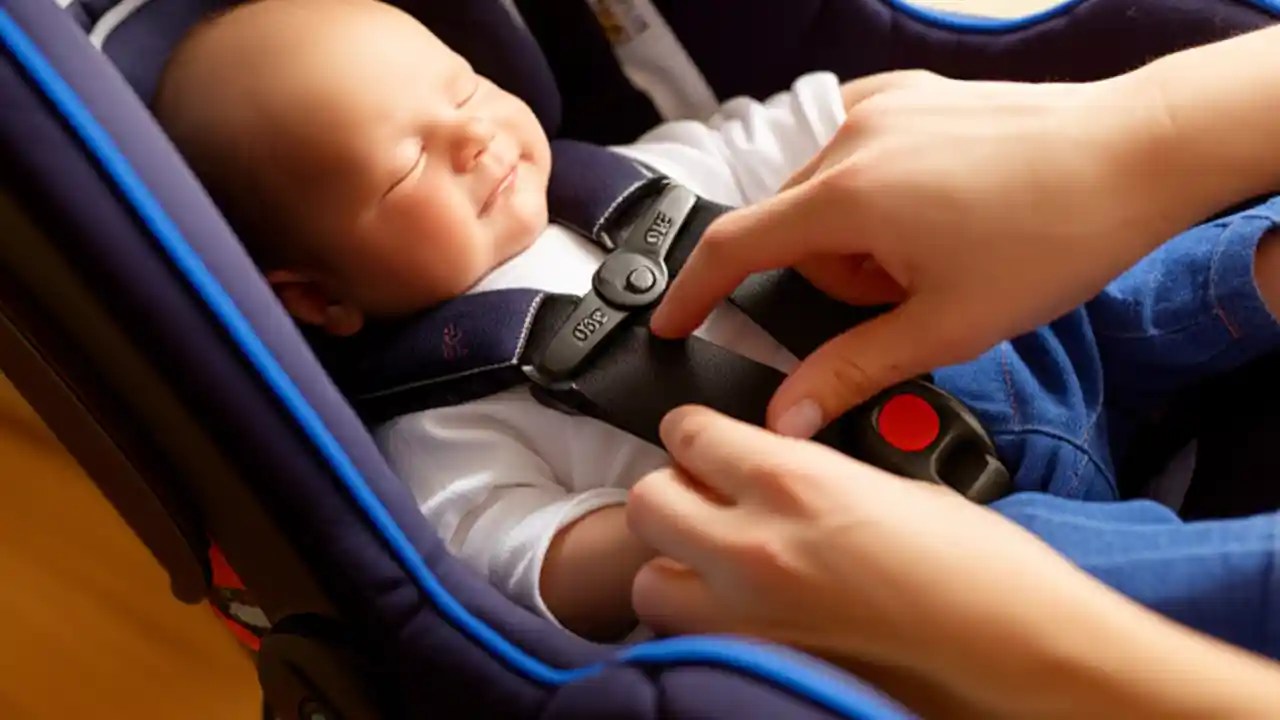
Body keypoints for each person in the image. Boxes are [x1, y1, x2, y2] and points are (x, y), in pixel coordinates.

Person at [154, 0, 1280, 647]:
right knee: (1079, 590)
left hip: (1026, 330)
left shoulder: (631, 174)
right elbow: (519, 559)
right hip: (935, 536)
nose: (475, 137)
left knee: (1190, 270)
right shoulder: (443, 423)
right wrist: (665, 528)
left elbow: (808, 127)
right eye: (407, 164)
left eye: (462, 88)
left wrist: (940, 117)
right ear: (319, 297)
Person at [634, 22, 1280, 719]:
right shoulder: (506, 424)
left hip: (1031, 348)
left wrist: (1127, 129)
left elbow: (828, 126)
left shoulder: (657, 163)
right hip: (954, 500)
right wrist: (1144, 128)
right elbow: (571, 566)